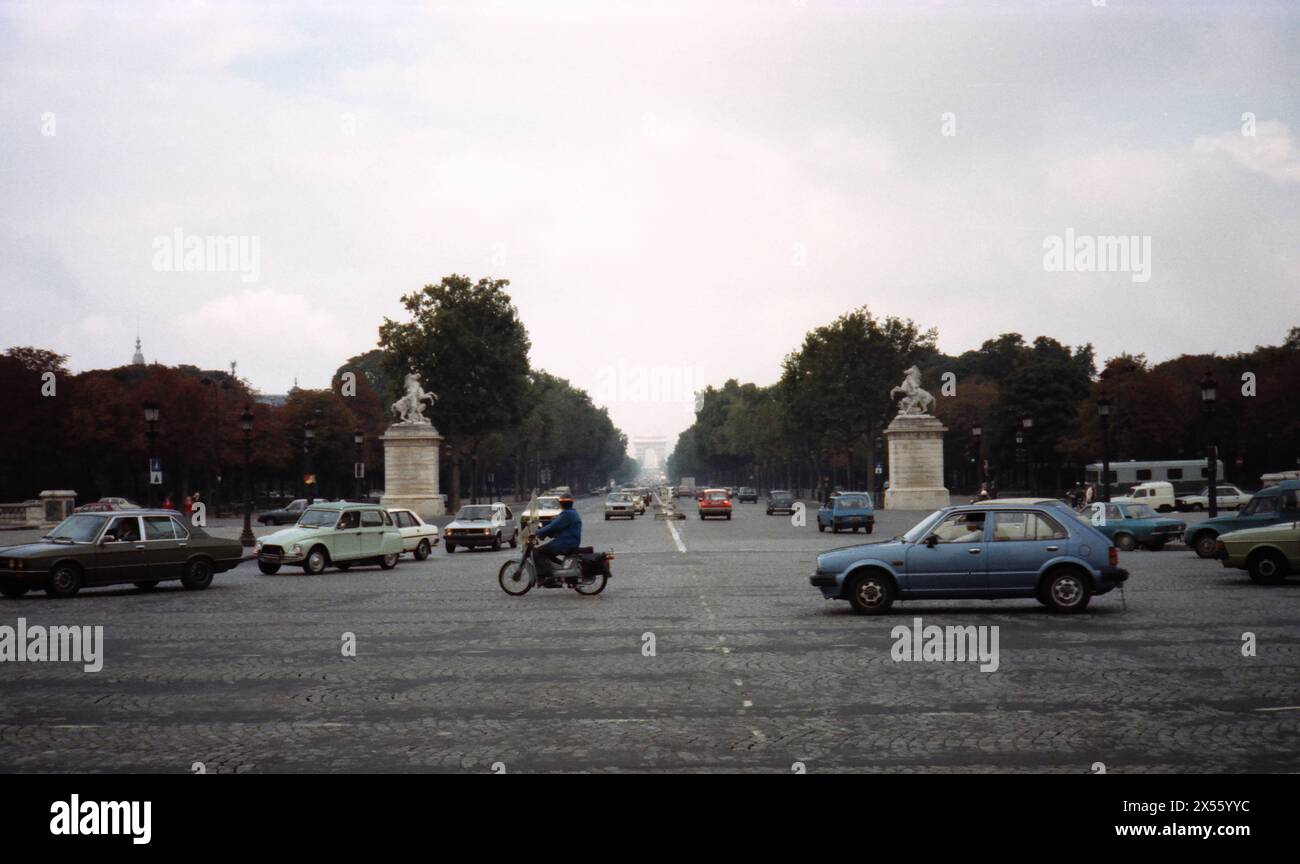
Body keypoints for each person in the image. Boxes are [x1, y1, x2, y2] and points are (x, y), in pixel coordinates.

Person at [531, 493, 582, 572]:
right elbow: (555, 525)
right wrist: (545, 532)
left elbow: (553, 526)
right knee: (547, 553)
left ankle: (547, 575)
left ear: (561, 504)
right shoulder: (572, 513)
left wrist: (537, 532)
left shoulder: (567, 514)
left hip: (565, 543)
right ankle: (562, 567)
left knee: (538, 552)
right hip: (570, 541)